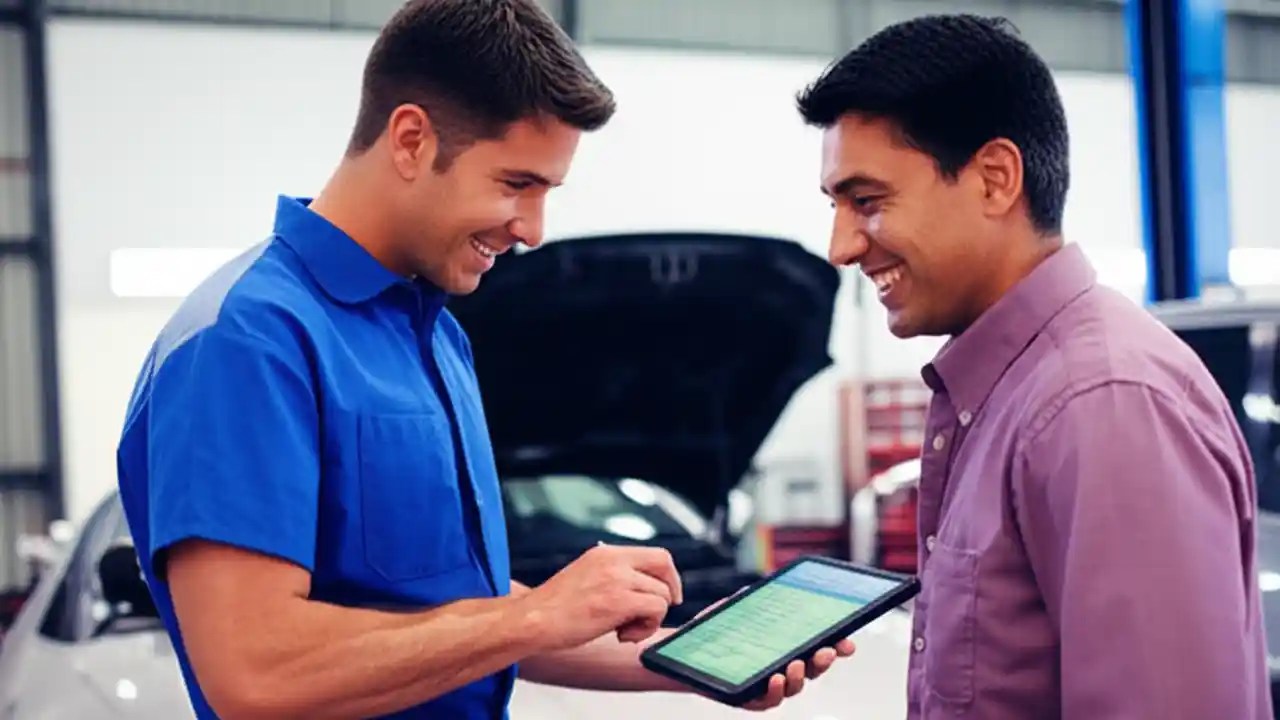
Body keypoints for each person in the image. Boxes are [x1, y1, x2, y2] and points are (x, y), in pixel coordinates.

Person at [114, 1, 852, 718]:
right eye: (516, 184)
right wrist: (538, 616)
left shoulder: (437, 335)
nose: (532, 230)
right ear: (410, 140)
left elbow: (452, 623)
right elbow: (255, 672)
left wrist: (685, 656)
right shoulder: (247, 340)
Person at [796, 13, 1271, 720]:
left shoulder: (1101, 405)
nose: (839, 247)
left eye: (866, 202)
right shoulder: (1006, 394)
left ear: (994, 179)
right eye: (836, 206)